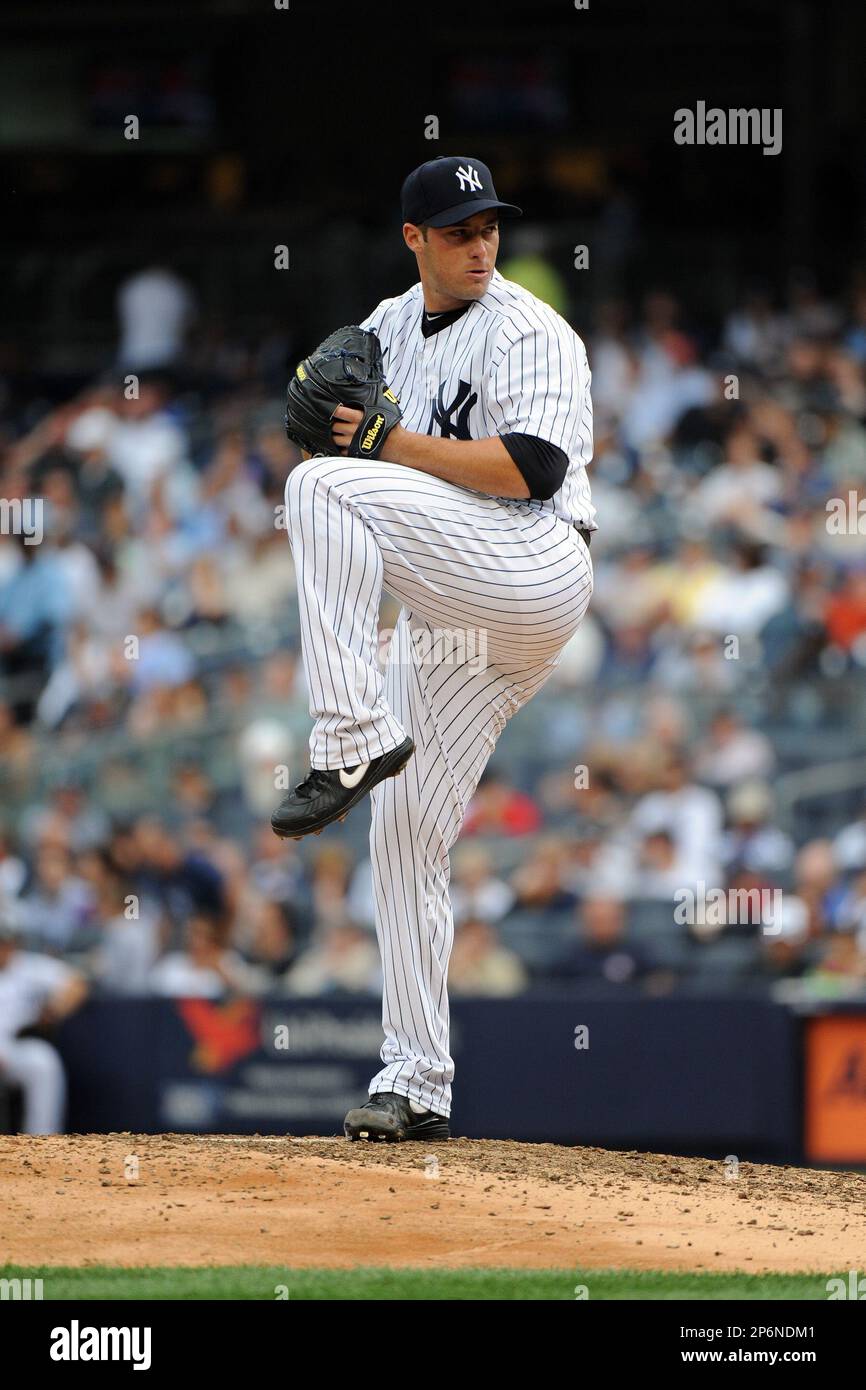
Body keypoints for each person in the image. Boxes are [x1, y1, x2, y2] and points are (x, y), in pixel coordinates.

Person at [271, 155, 595, 1142]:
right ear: (413, 238)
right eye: (456, 230)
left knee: (321, 487)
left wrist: (379, 443)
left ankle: (349, 735)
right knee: (404, 832)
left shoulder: (529, 328)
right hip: (453, 605)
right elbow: (327, 424)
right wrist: (322, 416)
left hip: (533, 566)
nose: (479, 244)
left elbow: (532, 468)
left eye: (488, 225)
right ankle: (414, 1082)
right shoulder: (384, 328)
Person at [0, 922, 88, 1134]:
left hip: (11, 1049)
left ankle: (41, 1143)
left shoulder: (26, 966)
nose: (4, 949)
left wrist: (54, 1010)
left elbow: (77, 983)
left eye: (6, 943)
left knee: (44, 1062)